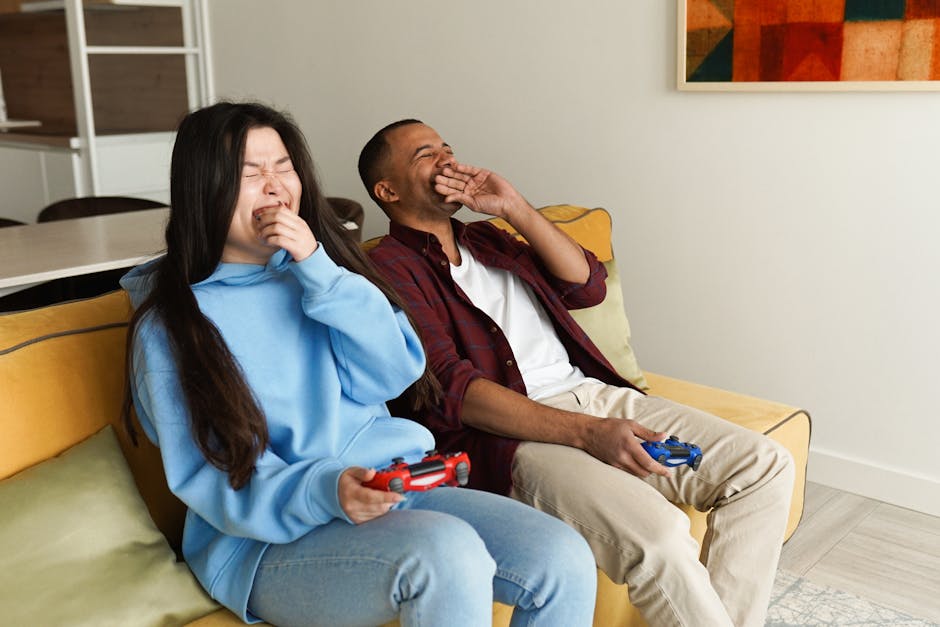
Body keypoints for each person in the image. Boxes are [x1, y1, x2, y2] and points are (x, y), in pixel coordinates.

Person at [120, 102, 597, 627]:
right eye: (249, 174)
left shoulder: (324, 278)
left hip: (391, 492)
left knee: (562, 557)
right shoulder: (172, 326)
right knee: (447, 555)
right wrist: (329, 488)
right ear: (203, 189)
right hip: (266, 541)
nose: (276, 187)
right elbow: (216, 478)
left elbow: (395, 375)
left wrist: (321, 275)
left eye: (284, 167)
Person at [359, 119, 797, 627]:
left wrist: (515, 207)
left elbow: (589, 286)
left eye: (448, 149)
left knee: (764, 467)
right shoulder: (386, 269)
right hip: (515, 435)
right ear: (386, 190)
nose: (447, 161)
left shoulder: (488, 239)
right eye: (425, 155)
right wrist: (591, 434)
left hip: (594, 394)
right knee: (658, 538)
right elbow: (451, 391)